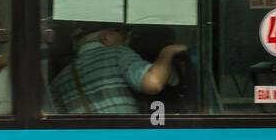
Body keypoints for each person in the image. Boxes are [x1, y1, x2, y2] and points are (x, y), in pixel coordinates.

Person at [50, 24, 187, 114]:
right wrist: (168, 51)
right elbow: (153, 83)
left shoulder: (58, 80)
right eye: (122, 34)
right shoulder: (117, 53)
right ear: (106, 36)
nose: (126, 40)